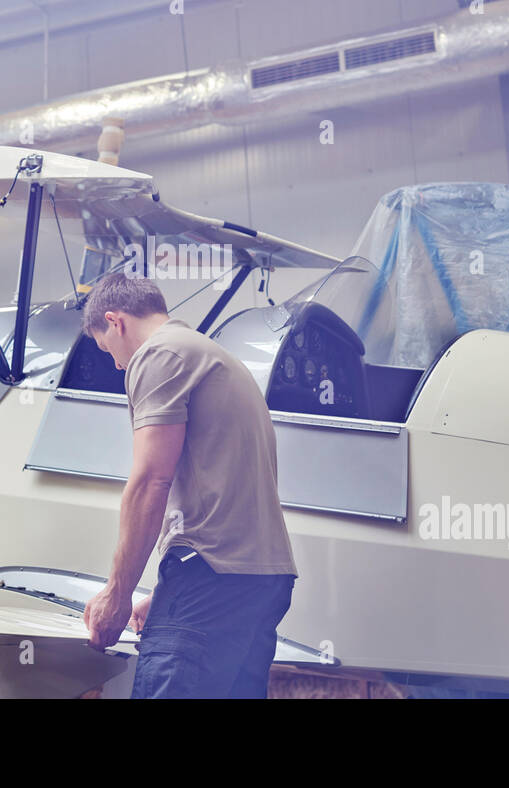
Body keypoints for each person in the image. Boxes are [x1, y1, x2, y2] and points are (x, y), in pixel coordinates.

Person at [80, 271, 297, 698]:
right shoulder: (215, 356)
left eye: (109, 350)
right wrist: (167, 592)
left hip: (211, 577)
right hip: (259, 580)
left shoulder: (159, 355)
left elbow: (150, 481)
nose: (117, 364)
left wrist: (117, 595)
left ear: (116, 320)